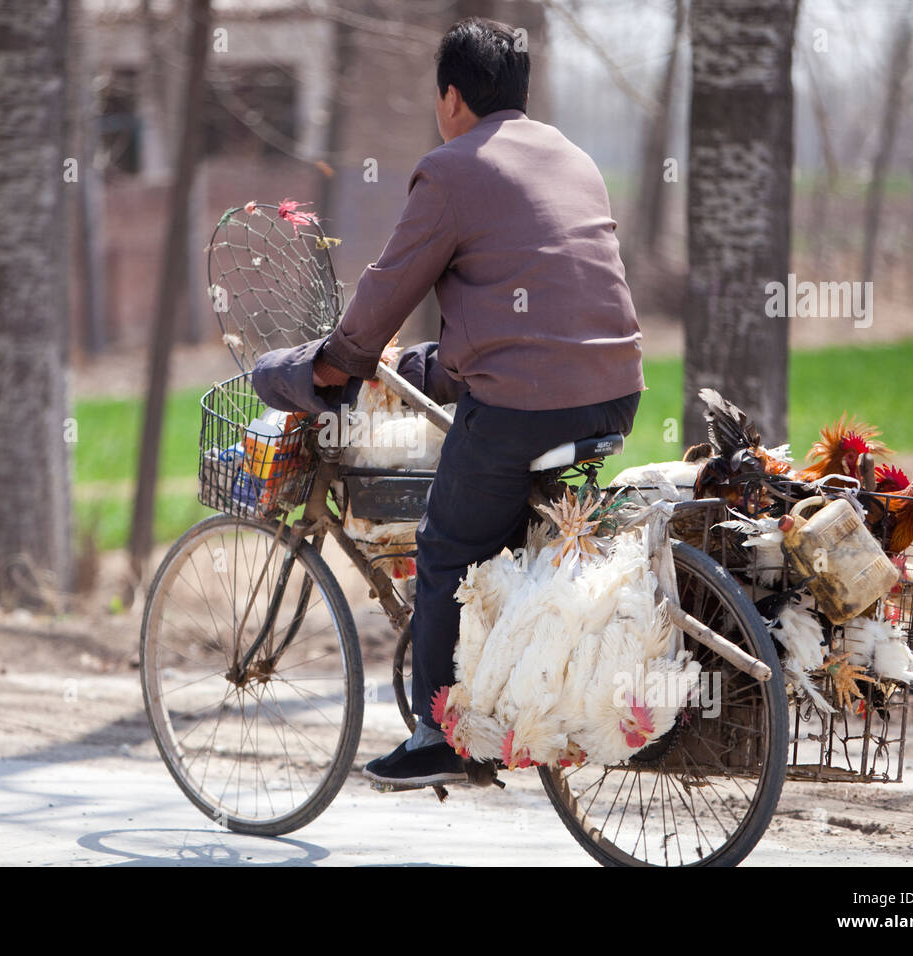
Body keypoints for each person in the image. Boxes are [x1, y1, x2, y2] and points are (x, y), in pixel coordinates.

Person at [306, 16, 645, 788]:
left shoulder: (452, 169)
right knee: (508, 535)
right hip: (616, 394)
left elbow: (389, 285)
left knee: (445, 547)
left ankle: (440, 733)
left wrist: (339, 362)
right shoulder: (573, 157)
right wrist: (434, 366)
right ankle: (510, 684)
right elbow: (544, 299)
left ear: (452, 97)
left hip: (524, 408)